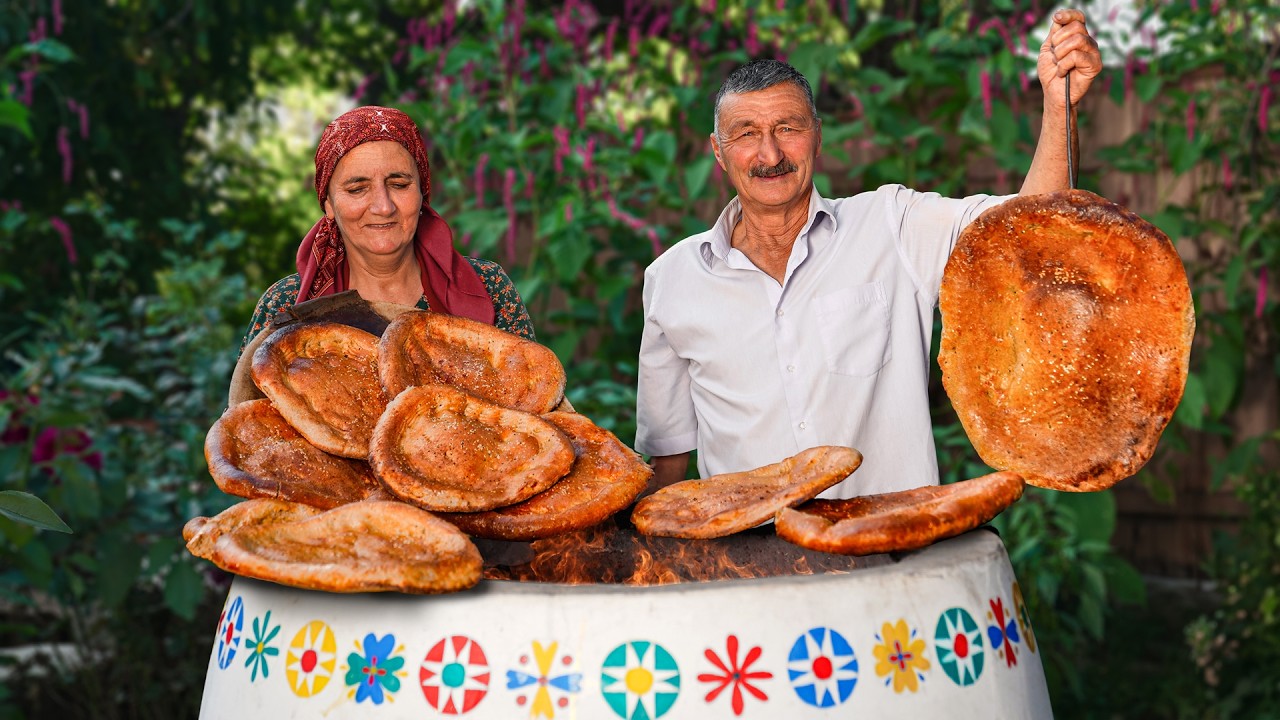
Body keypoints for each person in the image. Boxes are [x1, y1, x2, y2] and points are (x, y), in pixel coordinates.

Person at [635, 10, 1103, 498]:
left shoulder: (892, 224)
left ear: (817, 135)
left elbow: (1025, 232)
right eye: (746, 134)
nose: (770, 155)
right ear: (717, 150)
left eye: (787, 128)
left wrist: (1058, 105)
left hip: (890, 555)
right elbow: (667, 460)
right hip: (751, 568)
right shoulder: (673, 279)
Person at [241, 105, 534, 350]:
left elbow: (535, 403)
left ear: (422, 193)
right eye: (357, 189)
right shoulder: (285, 304)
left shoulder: (488, 287)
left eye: (399, 184)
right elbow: (247, 415)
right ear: (328, 204)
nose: (383, 206)